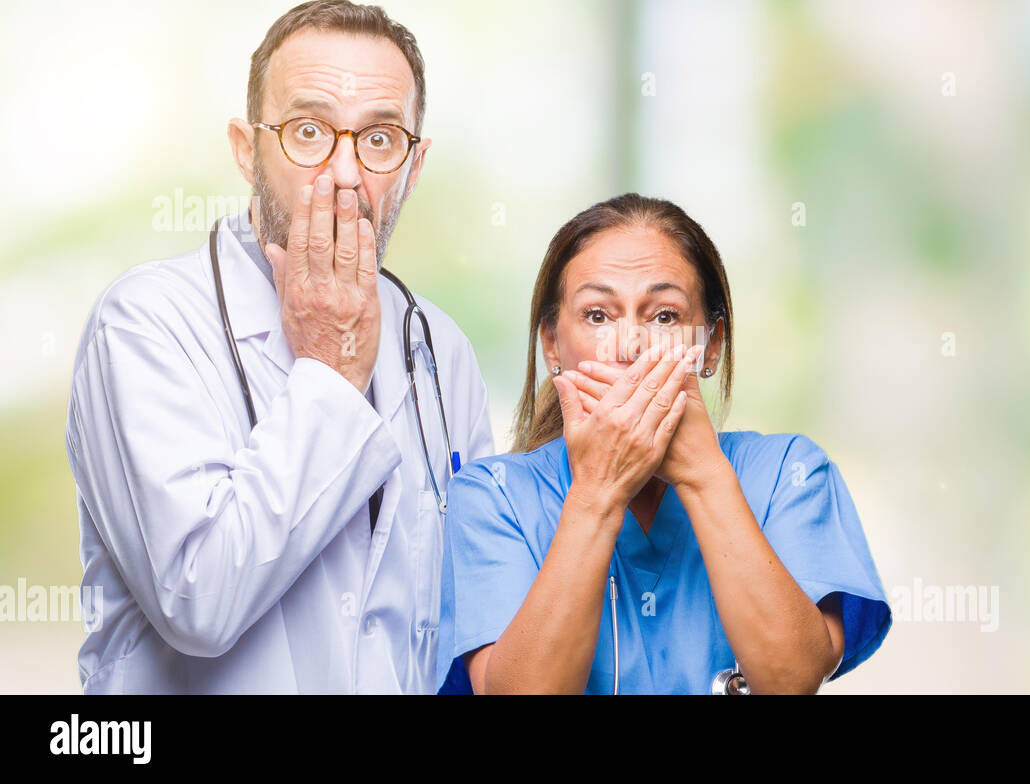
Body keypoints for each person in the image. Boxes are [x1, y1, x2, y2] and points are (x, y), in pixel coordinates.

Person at [64, 0, 494, 693]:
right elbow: (197, 601)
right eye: (308, 131)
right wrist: (328, 366)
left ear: (413, 167)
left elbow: (462, 618)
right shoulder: (146, 323)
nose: (347, 174)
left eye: (380, 140)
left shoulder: (438, 346)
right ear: (245, 148)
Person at [436, 193, 890, 694]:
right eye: (597, 315)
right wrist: (597, 493)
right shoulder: (492, 495)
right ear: (551, 345)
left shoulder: (790, 472)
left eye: (664, 317)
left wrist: (703, 474)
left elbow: (790, 680)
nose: (629, 347)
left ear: (711, 344)